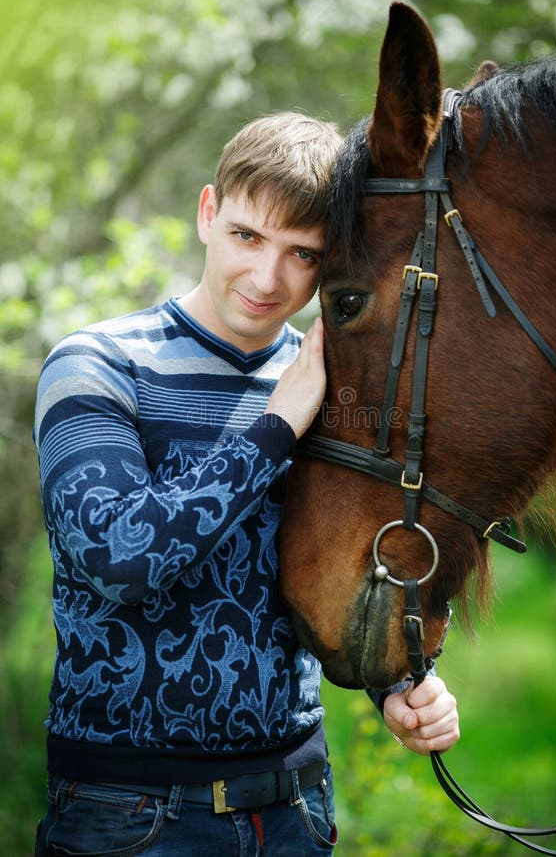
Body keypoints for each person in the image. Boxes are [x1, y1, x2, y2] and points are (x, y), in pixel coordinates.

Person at [33, 111, 459, 856]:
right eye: (247, 236)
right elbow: (120, 557)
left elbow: (343, 565)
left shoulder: (335, 387)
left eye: (303, 253)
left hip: (295, 807)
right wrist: (276, 429)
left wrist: (398, 686)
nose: (267, 279)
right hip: (128, 812)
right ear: (207, 212)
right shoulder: (96, 365)